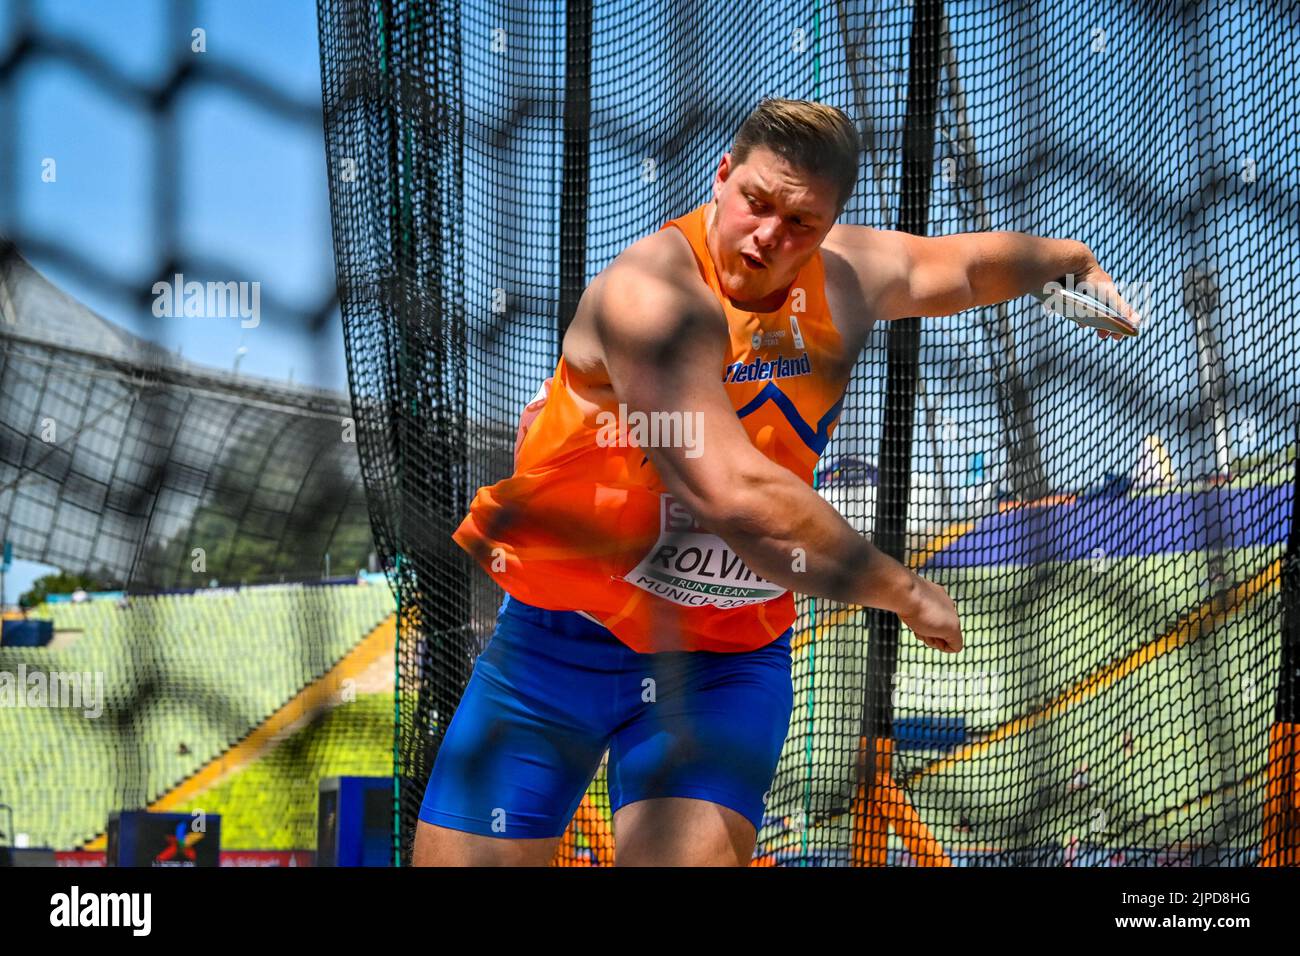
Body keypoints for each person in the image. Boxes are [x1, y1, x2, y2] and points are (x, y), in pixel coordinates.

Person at [413, 97, 1140, 867]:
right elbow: (732, 494)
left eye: (801, 224)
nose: (769, 237)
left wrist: (1065, 256)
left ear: (829, 229)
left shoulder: (843, 278)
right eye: (756, 203)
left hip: (720, 658)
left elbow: (957, 266)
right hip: (558, 642)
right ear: (723, 177)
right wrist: (901, 587)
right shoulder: (653, 293)